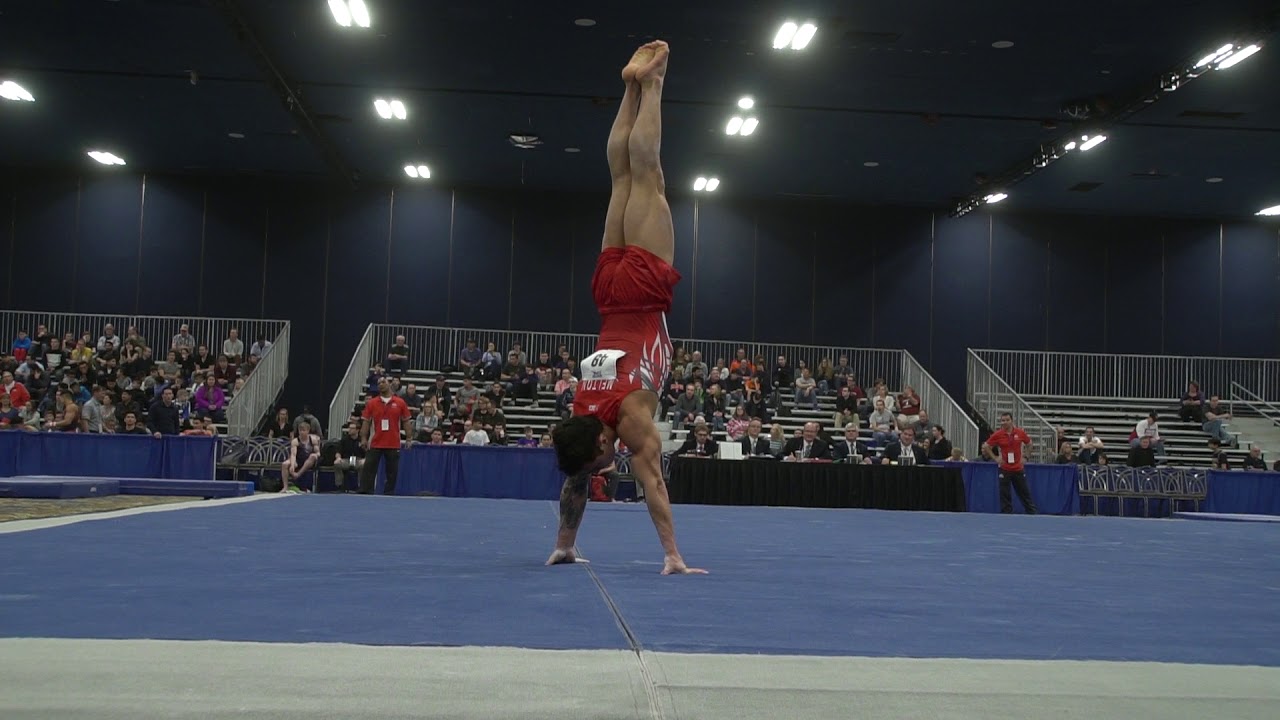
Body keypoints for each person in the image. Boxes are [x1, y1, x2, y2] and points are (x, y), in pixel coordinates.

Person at [549, 40, 705, 576]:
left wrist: (673, 554)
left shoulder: (631, 421)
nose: (602, 467)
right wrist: (565, 542)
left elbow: (654, 482)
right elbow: (576, 478)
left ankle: (652, 83)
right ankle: (628, 88)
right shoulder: (581, 414)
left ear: (602, 439)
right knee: (619, 178)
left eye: (600, 459)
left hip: (642, 290)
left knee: (648, 174)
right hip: (607, 293)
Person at [358, 377, 413, 495]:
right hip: (375, 441)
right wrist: (363, 438)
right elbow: (366, 422)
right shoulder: (372, 403)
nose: (381, 384)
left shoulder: (400, 402)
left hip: (393, 442)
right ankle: (365, 491)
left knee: (392, 471)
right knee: (369, 468)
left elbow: (406, 421)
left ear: (389, 384)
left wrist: (409, 438)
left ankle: (389, 493)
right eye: (378, 383)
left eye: (383, 382)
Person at [982, 412, 1038, 514]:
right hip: (1004, 468)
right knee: (1004, 495)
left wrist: (1026, 457)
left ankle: (1032, 514)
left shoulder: (1020, 432)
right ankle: (1006, 515)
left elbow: (1029, 444)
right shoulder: (998, 434)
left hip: (1018, 468)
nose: (1005, 422)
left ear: (1012, 421)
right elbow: (986, 446)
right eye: (1003, 420)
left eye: (1007, 420)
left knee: (1025, 493)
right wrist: (995, 458)